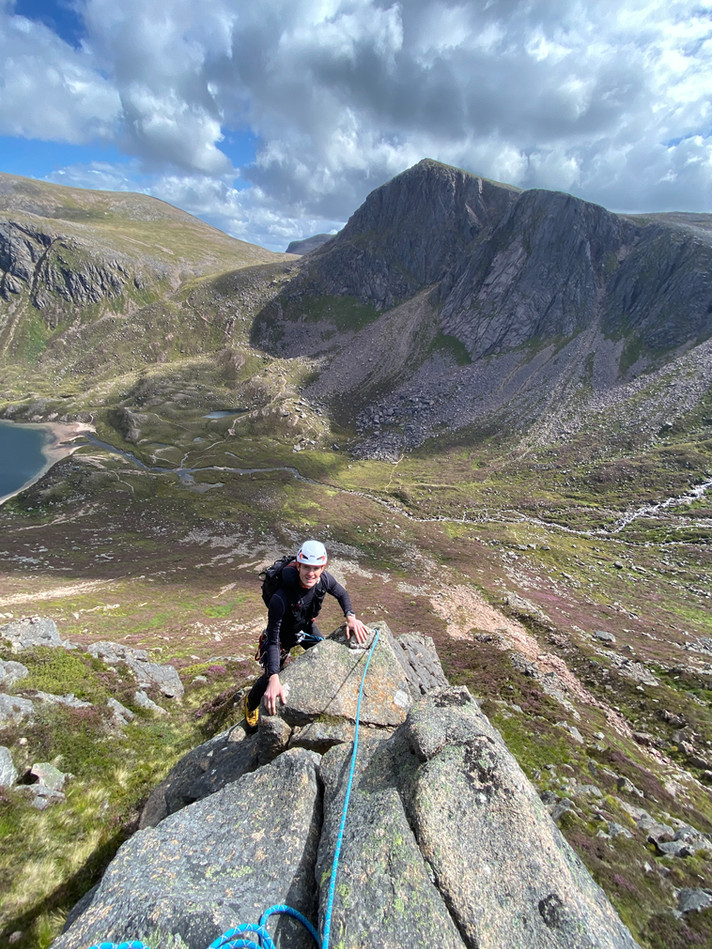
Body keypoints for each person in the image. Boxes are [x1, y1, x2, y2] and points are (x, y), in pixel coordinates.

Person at [244, 539, 369, 729]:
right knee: (269, 676)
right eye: (307, 568)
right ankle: (250, 703)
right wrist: (274, 677)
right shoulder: (281, 597)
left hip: (306, 629)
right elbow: (273, 636)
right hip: (282, 636)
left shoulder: (324, 579)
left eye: (316, 568)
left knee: (325, 657)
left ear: (322, 568)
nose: (311, 573)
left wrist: (350, 616)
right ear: (299, 566)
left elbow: (341, 594)